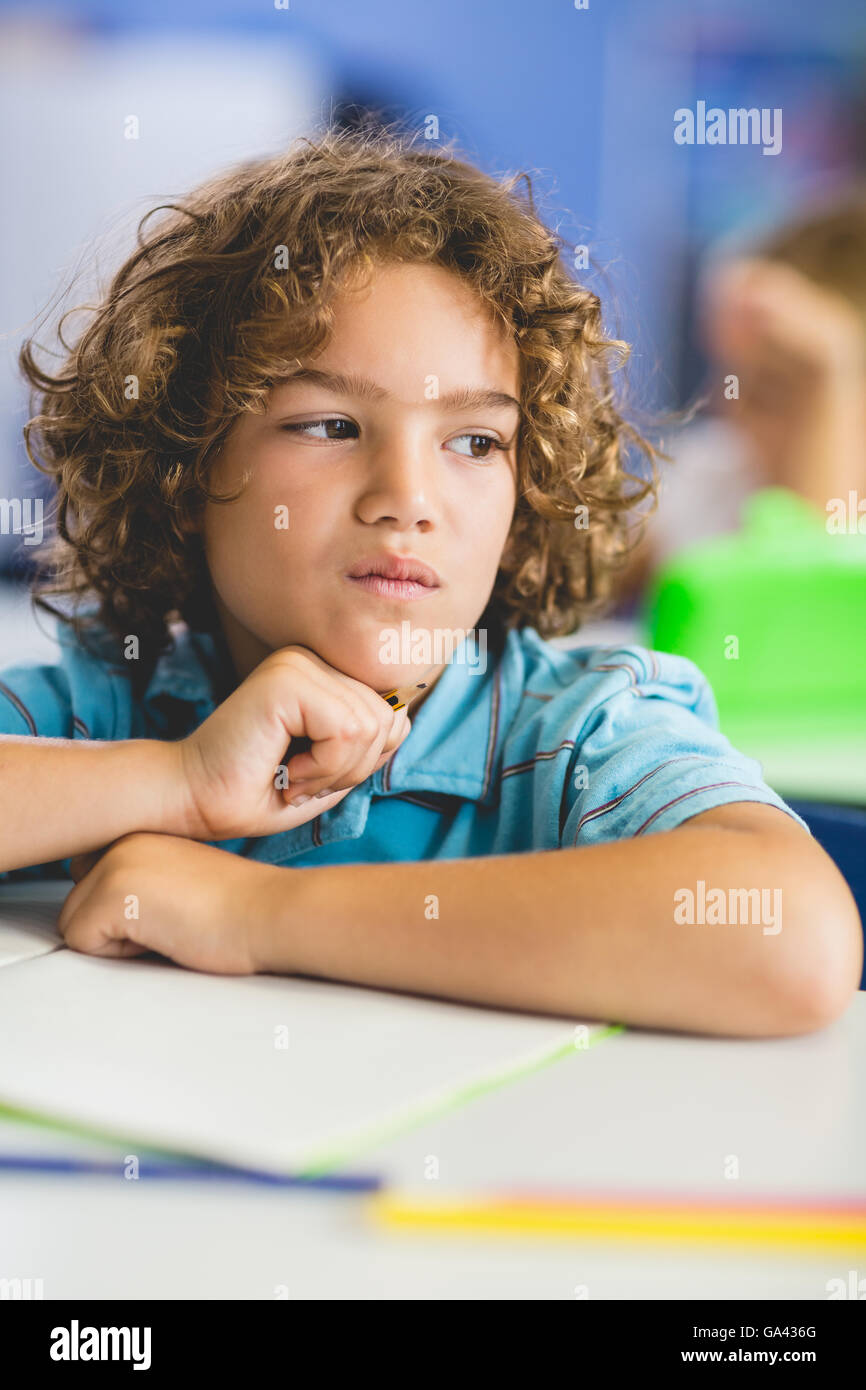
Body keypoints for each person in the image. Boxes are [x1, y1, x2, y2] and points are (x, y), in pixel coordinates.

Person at [0, 125, 860, 1036]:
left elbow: (787, 933)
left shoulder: (574, 734)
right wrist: (174, 780)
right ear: (185, 468)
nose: (407, 499)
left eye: (475, 442)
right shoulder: (107, 713)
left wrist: (252, 914)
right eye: (329, 426)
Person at [617, 188, 866, 593]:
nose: (725, 405)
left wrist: (833, 369)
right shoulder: (718, 470)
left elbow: (814, 603)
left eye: (772, 393)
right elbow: (583, 568)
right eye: (731, 374)